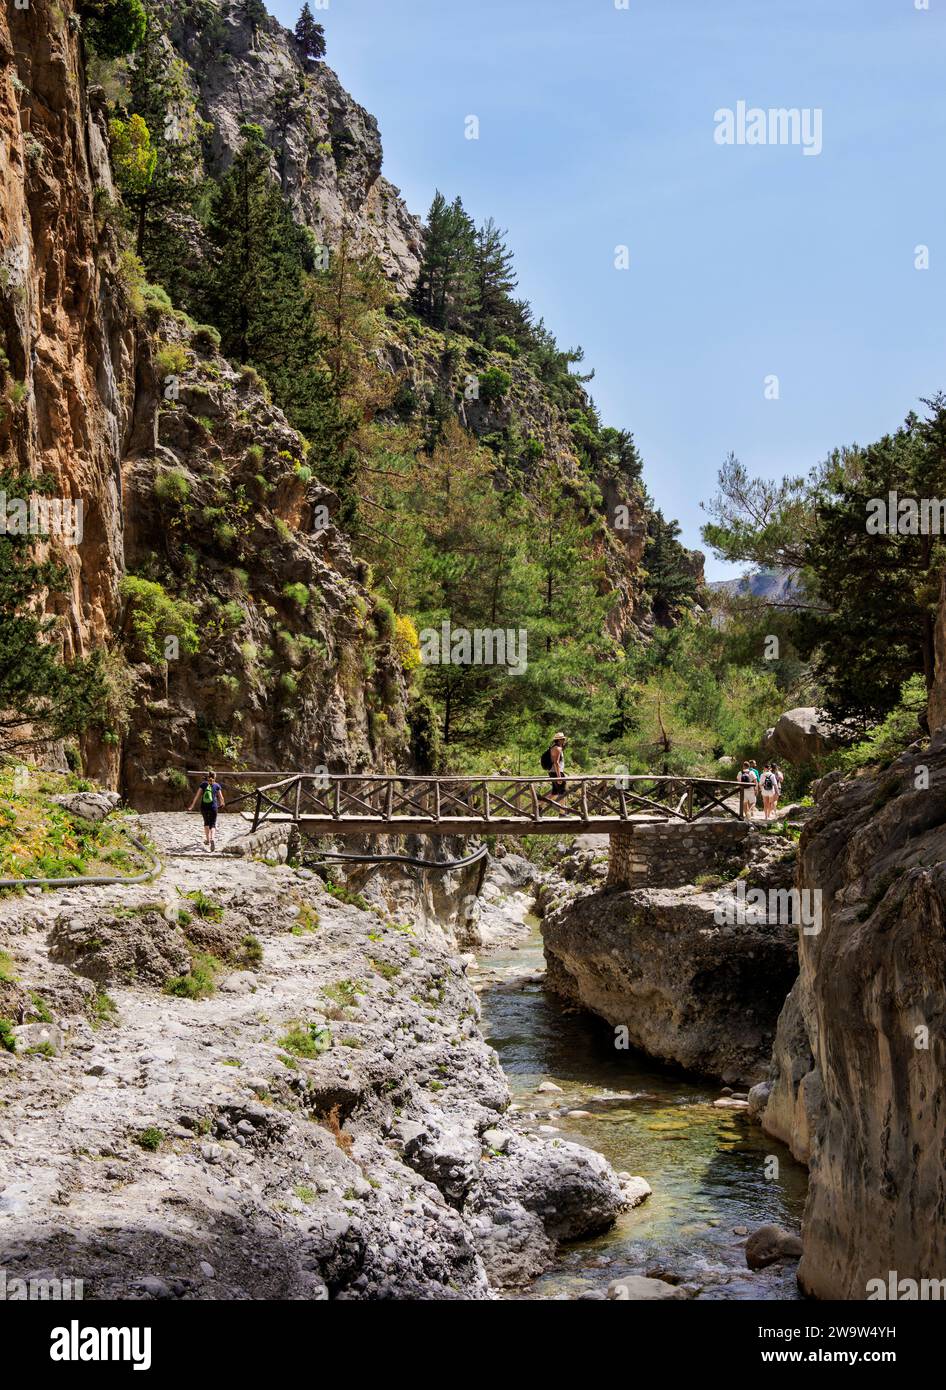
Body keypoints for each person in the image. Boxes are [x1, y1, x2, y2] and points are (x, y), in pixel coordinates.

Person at [189, 768, 225, 851]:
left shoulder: (203, 784)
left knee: (206, 822)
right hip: (213, 807)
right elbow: (221, 797)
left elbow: (197, 796)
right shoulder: (217, 785)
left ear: (208, 776)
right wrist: (222, 803)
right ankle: (212, 838)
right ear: (215, 777)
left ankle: (208, 840)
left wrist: (192, 805)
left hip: (204, 807)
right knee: (213, 824)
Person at [543, 732, 567, 802]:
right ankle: (562, 812)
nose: (564, 740)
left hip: (552, 772)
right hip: (557, 772)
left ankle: (539, 804)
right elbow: (556, 763)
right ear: (559, 740)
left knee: (555, 793)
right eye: (562, 739)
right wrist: (559, 776)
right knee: (563, 793)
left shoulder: (553, 748)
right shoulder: (558, 749)